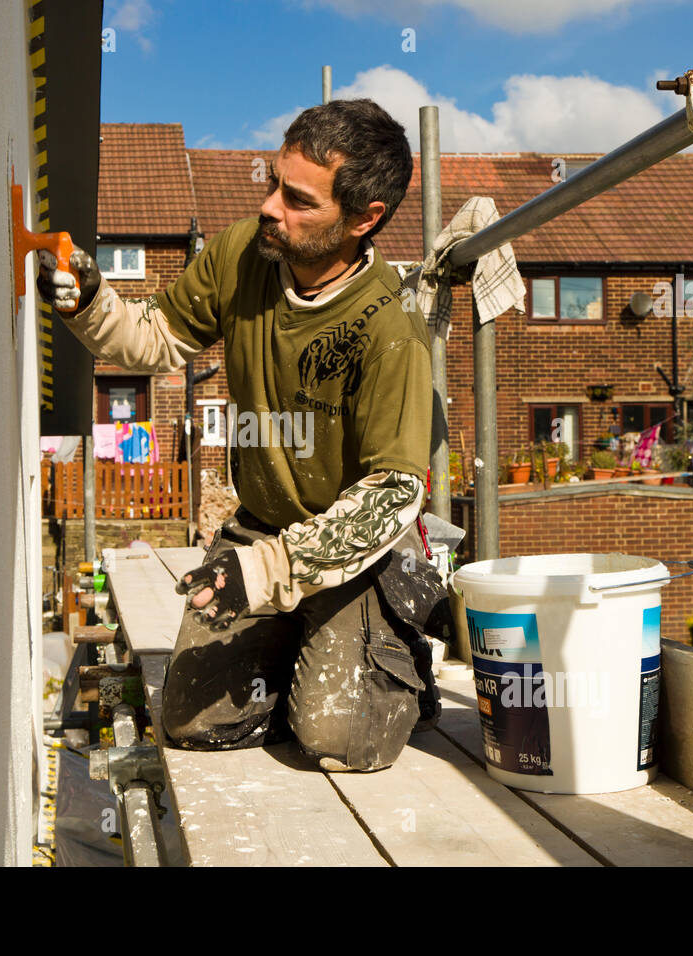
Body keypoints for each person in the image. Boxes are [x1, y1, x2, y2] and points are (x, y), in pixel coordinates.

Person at [38, 98, 452, 772]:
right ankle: (305, 641)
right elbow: (154, 340)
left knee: (337, 740)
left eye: (297, 200)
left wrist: (266, 575)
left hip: (354, 549)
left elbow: (393, 491)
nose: (269, 207)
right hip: (262, 528)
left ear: (364, 219)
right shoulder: (242, 254)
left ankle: (395, 651)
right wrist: (88, 301)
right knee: (193, 725)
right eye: (272, 184)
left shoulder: (391, 328)